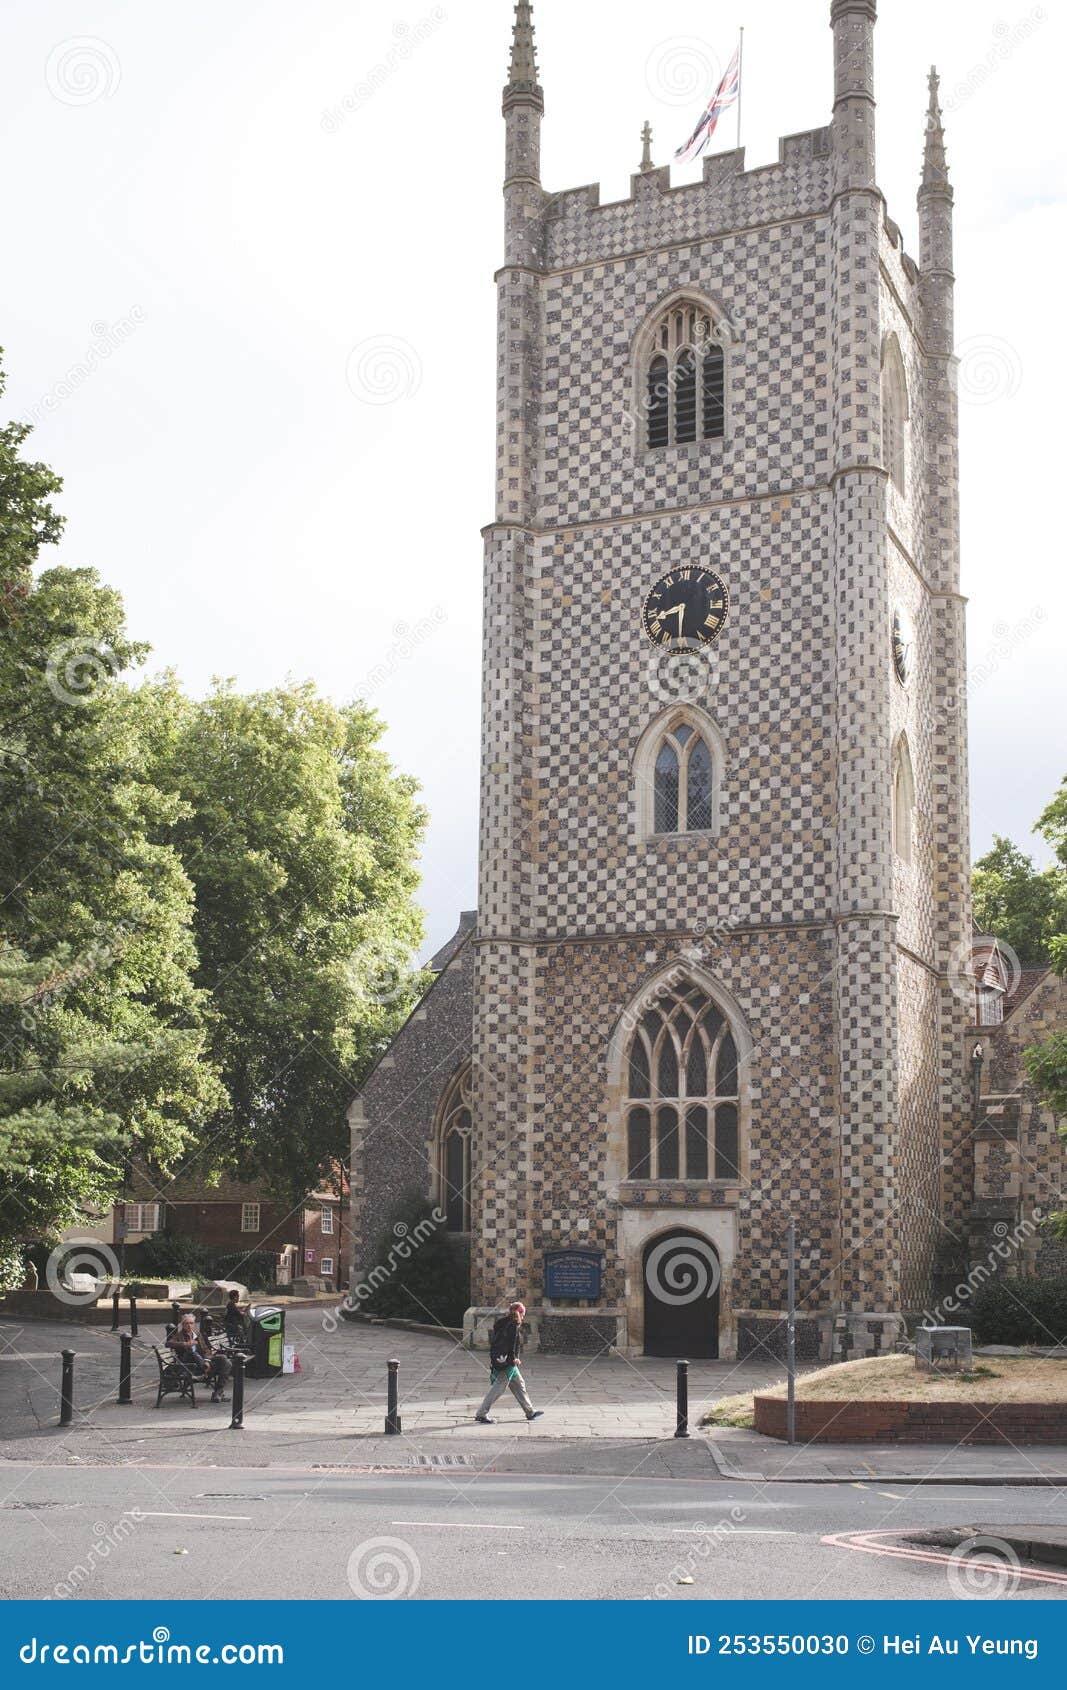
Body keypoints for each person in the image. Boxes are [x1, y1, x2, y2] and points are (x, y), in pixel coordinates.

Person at [475, 1301, 544, 1424]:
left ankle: (530, 1412)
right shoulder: (513, 1325)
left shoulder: (502, 1322)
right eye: (523, 1314)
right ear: (520, 1313)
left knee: (519, 1384)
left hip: (501, 1359)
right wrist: (514, 1358)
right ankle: (481, 1413)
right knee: (498, 1388)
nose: (524, 1317)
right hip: (507, 1362)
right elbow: (510, 1345)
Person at [166, 1313, 232, 1403]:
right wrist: (185, 1344)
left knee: (225, 1361)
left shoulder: (197, 1334)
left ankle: (218, 1392)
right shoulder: (179, 1335)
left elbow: (206, 1350)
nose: (189, 1325)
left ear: (194, 1324)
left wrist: (207, 1360)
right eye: (187, 1323)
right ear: (183, 1325)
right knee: (191, 1352)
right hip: (190, 1366)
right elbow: (168, 1344)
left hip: (203, 1362)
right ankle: (207, 1373)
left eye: (191, 1323)